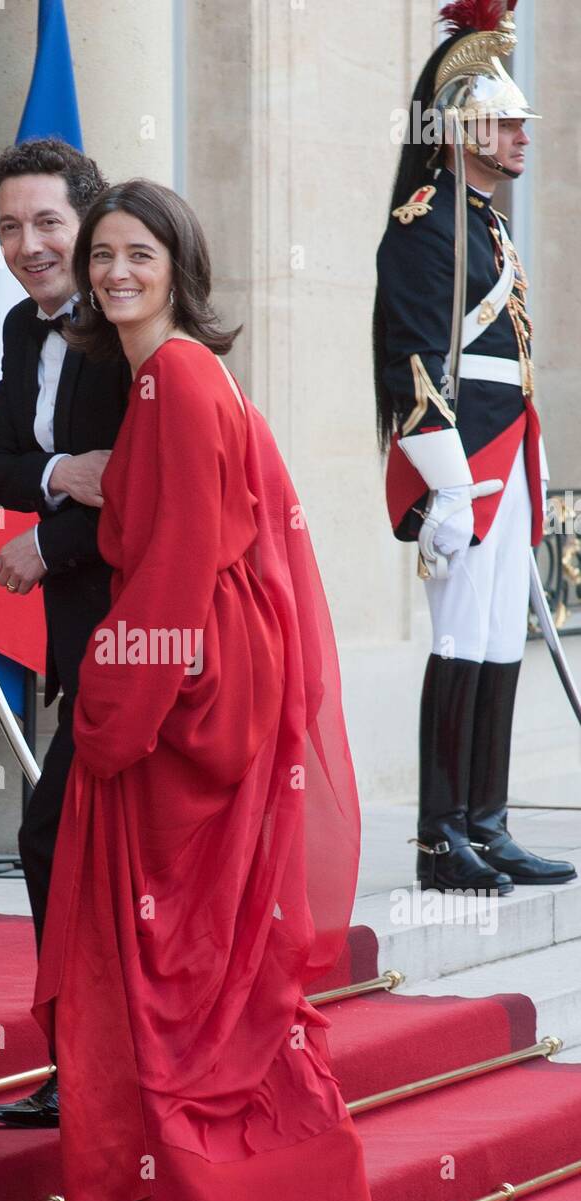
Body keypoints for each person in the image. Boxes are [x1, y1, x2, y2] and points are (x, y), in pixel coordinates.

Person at [28, 178, 375, 1201]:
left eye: (136, 253)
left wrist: (110, 715)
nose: (113, 272)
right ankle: (210, 1190)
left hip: (179, 699)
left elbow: (178, 564)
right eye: (100, 256)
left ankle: (219, 1197)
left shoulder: (171, 375)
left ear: (178, 261)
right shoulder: (176, 374)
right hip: (205, 679)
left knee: (172, 960)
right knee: (204, 963)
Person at [374, 0, 575, 895]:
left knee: (497, 640)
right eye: (503, 119)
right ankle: (437, 835)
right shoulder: (427, 222)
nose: (521, 132)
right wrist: (447, 488)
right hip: (466, 464)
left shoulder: (484, 221)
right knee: (459, 639)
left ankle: (485, 826)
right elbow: (411, 358)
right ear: (459, 126)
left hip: (507, 458)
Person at [0, 140, 131, 1127]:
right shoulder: (26, 335)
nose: (28, 246)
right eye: (8, 227)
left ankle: (104, 1064)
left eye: (47, 224)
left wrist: (45, 543)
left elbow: (151, 480)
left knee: (64, 837)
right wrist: (58, 471)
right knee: (66, 841)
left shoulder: (130, 328)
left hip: (148, 635)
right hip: (85, 645)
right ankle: (85, 1059)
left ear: (89, 222)